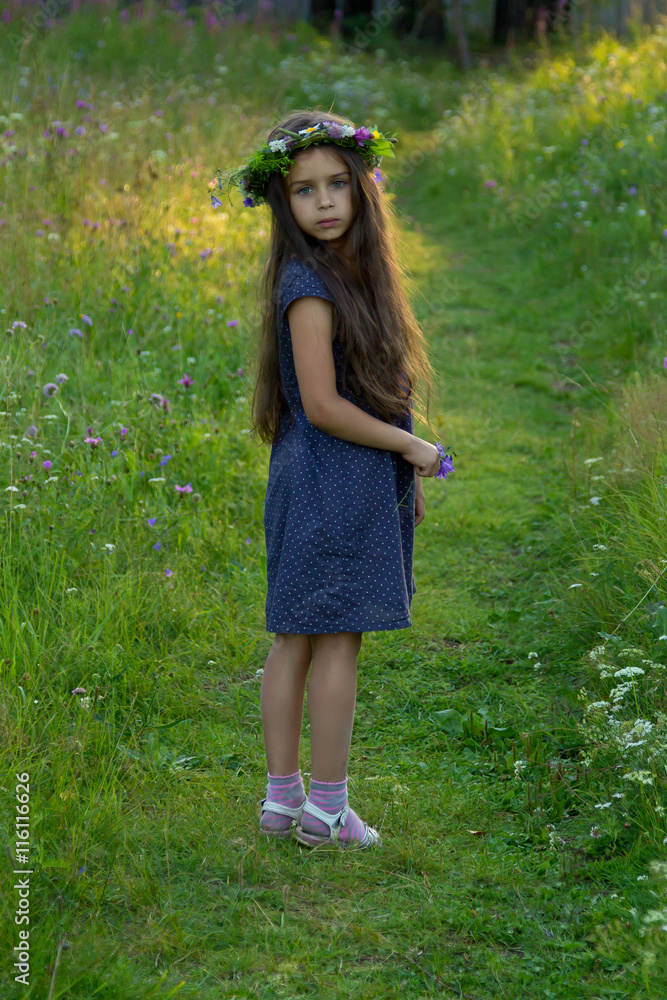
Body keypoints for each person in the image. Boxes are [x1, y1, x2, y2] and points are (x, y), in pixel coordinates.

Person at [215, 109, 445, 848]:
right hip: (329, 476)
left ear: (361, 189)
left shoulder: (347, 275)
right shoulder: (308, 285)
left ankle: (283, 802)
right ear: (282, 203)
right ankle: (325, 808)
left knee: (294, 638)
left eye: (336, 185)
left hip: (324, 476)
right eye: (304, 190)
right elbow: (321, 405)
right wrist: (410, 448)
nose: (322, 203)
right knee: (328, 641)